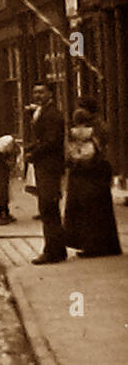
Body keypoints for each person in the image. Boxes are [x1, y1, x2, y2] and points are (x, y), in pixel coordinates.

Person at [63, 104, 121, 258]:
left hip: (83, 175)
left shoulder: (77, 133)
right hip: (99, 173)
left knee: (86, 212)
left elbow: (71, 154)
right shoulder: (101, 128)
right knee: (102, 212)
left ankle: (90, 246)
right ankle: (108, 246)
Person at [27, 83, 67, 264]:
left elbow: (51, 141)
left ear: (50, 93)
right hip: (45, 166)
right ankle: (58, 250)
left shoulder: (52, 114)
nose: (38, 95)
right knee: (49, 209)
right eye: (35, 92)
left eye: (42, 92)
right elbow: (42, 139)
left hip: (49, 167)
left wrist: (33, 153)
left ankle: (51, 252)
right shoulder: (44, 112)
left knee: (48, 209)